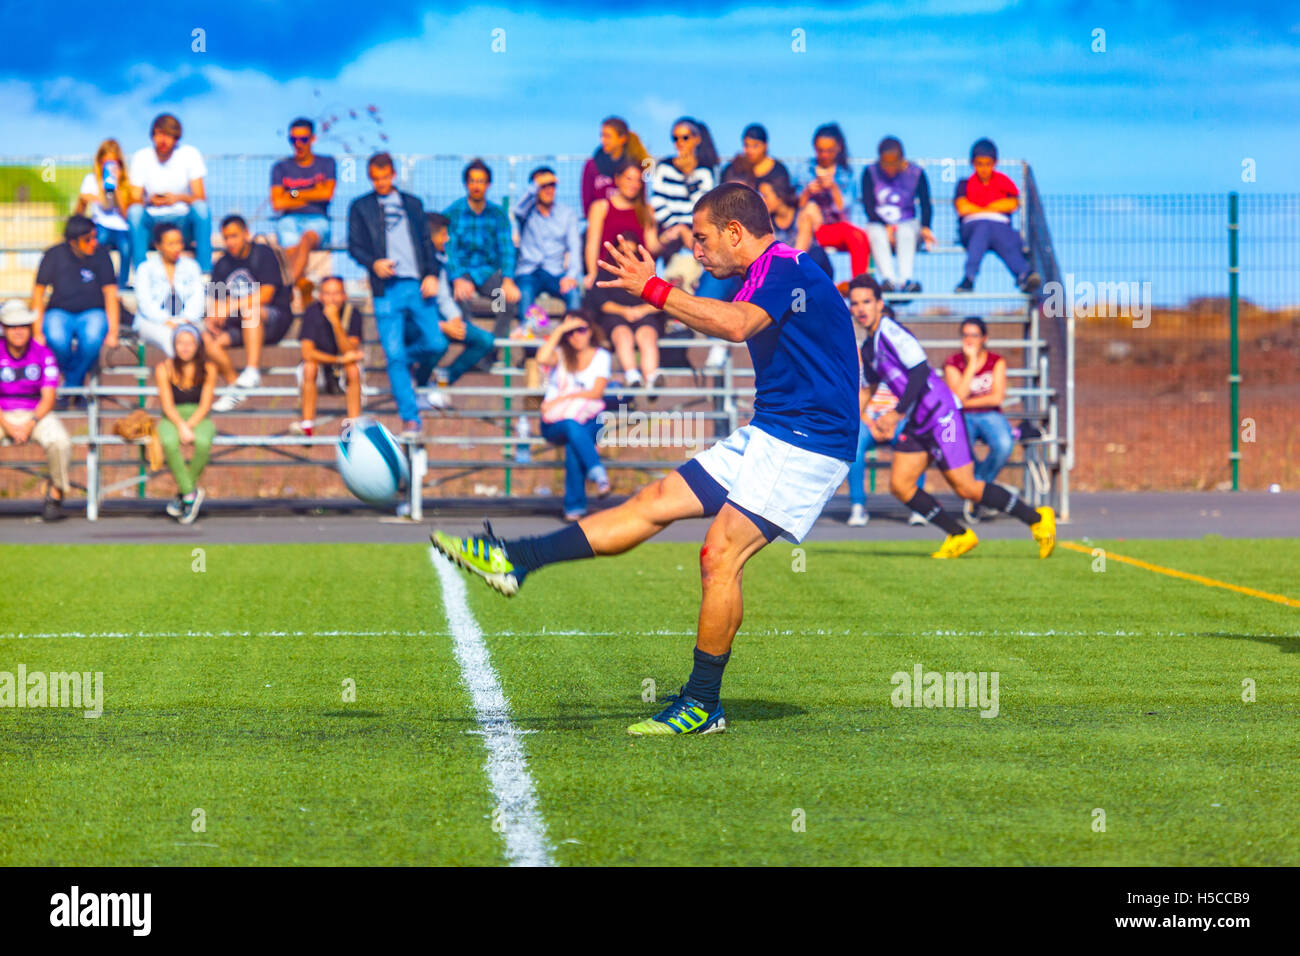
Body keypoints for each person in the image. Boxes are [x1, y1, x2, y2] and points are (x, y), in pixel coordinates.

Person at [432, 183, 860, 737]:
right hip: (773, 430)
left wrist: (654, 289)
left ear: (736, 232)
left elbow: (734, 327)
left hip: (808, 440)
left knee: (719, 554)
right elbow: (728, 317)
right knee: (653, 501)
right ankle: (518, 559)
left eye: (704, 240)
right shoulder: (764, 274)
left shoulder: (785, 268)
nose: (699, 252)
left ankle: (703, 703)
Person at [851, 274, 1055, 559]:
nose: (861, 308)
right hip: (919, 421)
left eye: (867, 302)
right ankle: (960, 535)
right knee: (900, 485)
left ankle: (1037, 519)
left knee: (967, 488)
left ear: (880, 304)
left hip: (941, 415)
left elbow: (920, 371)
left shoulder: (890, 331)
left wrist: (895, 414)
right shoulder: (868, 347)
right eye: (856, 303)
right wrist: (852, 421)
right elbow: (868, 388)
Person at [347, 151, 446, 438]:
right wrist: (373, 263)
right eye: (375, 178)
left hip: (416, 285)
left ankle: (410, 367)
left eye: (385, 177)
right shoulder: (360, 207)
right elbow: (355, 246)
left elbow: (427, 243)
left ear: (393, 175)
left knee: (436, 343)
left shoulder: (413, 205)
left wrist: (431, 274)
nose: (380, 183)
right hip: (385, 290)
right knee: (393, 356)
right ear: (370, 177)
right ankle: (410, 418)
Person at [846, 299, 926, 527]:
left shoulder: (908, 360)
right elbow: (859, 397)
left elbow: (915, 396)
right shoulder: (866, 359)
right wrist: (869, 420)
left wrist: (893, 419)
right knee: (854, 442)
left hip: (898, 420)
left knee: (916, 438)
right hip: (869, 420)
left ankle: (918, 506)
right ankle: (858, 506)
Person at [31, 215, 120, 408]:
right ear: (73, 241)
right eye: (88, 239)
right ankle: (77, 387)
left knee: (93, 339)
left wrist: (113, 332)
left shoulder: (102, 255)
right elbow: (38, 293)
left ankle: (69, 388)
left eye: (95, 237)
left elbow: (110, 294)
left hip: (93, 312)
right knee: (55, 338)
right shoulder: (53, 254)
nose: (93, 243)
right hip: (59, 312)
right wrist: (37, 331)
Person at [207, 215, 294, 412]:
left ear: (247, 234)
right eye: (226, 237)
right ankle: (235, 388)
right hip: (240, 325)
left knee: (250, 311)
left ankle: (252, 370)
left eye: (234, 236)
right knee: (208, 341)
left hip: (274, 318)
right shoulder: (221, 264)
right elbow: (217, 301)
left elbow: (267, 294)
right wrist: (213, 320)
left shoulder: (263, 254)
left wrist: (231, 306)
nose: (230, 242)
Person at [534, 311, 613, 521]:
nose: (576, 336)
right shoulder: (560, 355)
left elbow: (597, 392)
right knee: (571, 427)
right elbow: (541, 357)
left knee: (574, 443)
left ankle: (575, 508)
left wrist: (565, 397)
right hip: (556, 422)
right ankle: (598, 474)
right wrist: (560, 330)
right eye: (571, 332)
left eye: (581, 330)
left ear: (590, 331)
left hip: (590, 417)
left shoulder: (602, 356)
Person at [0, 301, 71, 522]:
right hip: (3, 413)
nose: (18, 331)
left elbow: (49, 397)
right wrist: (8, 425)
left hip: (36, 413)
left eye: (23, 325)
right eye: (12, 326)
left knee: (60, 441)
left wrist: (30, 423)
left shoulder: (42, 353)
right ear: (4, 328)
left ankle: (56, 494)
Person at [444, 158, 520, 358]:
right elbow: (448, 249)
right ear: (466, 183)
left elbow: (507, 250)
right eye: (472, 181)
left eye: (481, 181)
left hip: (488, 274)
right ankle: (473, 346)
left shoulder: (498, 215)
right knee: (461, 299)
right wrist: (457, 278)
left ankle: (490, 350)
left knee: (505, 301)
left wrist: (508, 280)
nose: (476, 186)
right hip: (463, 274)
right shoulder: (453, 213)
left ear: (488, 185)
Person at [944, 316, 1014, 523]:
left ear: (984, 338)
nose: (969, 340)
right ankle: (983, 494)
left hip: (991, 414)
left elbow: (997, 397)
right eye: (965, 335)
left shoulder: (996, 361)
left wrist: (966, 401)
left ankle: (979, 488)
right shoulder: (953, 363)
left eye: (974, 335)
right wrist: (972, 364)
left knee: (1004, 444)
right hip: (962, 417)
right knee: (962, 446)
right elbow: (956, 401)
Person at [419, 213, 494, 398]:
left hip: (445, 315)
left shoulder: (440, 260)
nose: (448, 238)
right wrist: (443, 326)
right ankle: (420, 387)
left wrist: (455, 319)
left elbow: (443, 297)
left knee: (487, 338)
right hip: (426, 320)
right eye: (444, 234)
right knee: (439, 344)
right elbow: (413, 312)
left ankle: (442, 380)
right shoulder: (415, 264)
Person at [954, 138, 1041, 294]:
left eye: (988, 164)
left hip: (1000, 230)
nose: (984, 169)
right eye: (979, 164)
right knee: (984, 228)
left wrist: (979, 207)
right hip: (973, 229)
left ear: (995, 163)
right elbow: (962, 207)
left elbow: (1012, 204)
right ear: (973, 163)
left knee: (1003, 235)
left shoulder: (1004, 183)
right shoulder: (964, 184)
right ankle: (971, 276)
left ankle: (1023, 275)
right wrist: (992, 208)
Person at [126, 113, 212, 272]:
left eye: (167, 135)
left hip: (182, 222)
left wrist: (177, 198)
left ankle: (205, 272)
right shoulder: (141, 157)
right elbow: (135, 198)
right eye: (158, 134)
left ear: (176, 137)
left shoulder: (190, 154)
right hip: (153, 222)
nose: (162, 140)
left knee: (202, 209)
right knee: (135, 212)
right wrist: (150, 201)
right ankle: (141, 272)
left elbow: (200, 196)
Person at [591, 232, 667, 395]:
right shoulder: (605, 273)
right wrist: (625, 312)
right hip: (615, 318)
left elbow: (661, 300)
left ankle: (652, 379)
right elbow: (601, 302)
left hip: (643, 316)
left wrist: (640, 311)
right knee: (622, 334)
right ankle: (632, 376)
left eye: (633, 253)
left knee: (647, 335)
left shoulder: (648, 275)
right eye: (623, 253)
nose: (628, 257)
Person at [155, 324, 216, 524]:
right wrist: (181, 426)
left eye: (190, 343)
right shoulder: (164, 368)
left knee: (203, 443)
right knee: (169, 442)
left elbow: (205, 405)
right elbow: (167, 404)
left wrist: (190, 425)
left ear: (197, 345)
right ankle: (190, 493)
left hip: (198, 415)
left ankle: (182, 495)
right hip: (172, 416)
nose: (185, 347)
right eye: (181, 343)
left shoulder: (208, 369)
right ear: (174, 345)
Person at [862, 136, 936, 293]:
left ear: (901, 159)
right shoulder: (870, 173)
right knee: (875, 232)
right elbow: (868, 206)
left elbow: (925, 203)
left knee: (906, 231)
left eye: (893, 162)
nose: (889, 167)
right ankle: (888, 281)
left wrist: (926, 227)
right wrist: (886, 226)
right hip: (879, 223)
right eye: (885, 163)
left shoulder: (916, 173)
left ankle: (905, 281)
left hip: (907, 221)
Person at [798, 123, 870, 280]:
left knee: (858, 236)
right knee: (810, 208)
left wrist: (833, 188)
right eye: (820, 150)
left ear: (839, 148)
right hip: (807, 230)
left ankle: (860, 284)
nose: (824, 155)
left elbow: (845, 210)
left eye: (829, 150)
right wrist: (807, 192)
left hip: (832, 229)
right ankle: (794, 269)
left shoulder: (846, 174)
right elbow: (793, 207)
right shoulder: (804, 170)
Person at [270, 117, 336, 288]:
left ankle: (287, 287)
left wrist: (291, 195)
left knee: (306, 239)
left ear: (313, 139)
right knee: (291, 248)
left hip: (318, 221)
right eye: (293, 139)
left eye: (303, 139)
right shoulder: (280, 167)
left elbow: (327, 193)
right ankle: (298, 285)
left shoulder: (327, 163)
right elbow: (277, 202)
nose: (298, 144)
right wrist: (313, 193)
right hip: (288, 221)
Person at [292, 276, 363, 435]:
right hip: (319, 369)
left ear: (344, 295)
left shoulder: (353, 313)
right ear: (320, 296)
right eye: (327, 293)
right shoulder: (312, 312)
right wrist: (337, 359)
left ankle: (355, 427)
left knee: (353, 369)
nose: (332, 298)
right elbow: (307, 353)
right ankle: (307, 425)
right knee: (309, 368)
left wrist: (335, 322)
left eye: (337, 293)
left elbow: (350, 351)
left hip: (342, 371)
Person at [513, 166, 583, 316]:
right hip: (528, 272)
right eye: (543, 185)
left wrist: (571, 275)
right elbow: (517, 210)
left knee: (574, 294)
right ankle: (526, 334)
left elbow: (575, 247)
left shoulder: (567, 214)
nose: (548, 189)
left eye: (552, 185)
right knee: (525, 292)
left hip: (556, 272)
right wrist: (537, 184)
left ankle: (572, 334)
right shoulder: (525, 212)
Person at [584, 158, 660, 292]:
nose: (634, 184)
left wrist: (669, 239)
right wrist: (592, 274)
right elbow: (592, 245)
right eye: (629, 179)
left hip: (639, 277)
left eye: (638, 180)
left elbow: (652, 245)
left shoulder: (647, 210)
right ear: (617, 179)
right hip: (608, 274)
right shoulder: (601, 207)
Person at [132, 223, 206, 357]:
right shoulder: (145, 268)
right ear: (158, 246)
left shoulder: (192, 266)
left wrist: (184, 320)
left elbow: (198, 299)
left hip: (188, 321)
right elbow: (146, 304)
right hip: (152, 323)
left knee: (193, 338)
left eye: (179, 242)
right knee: (173, 340)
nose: (177, 248)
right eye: (171, 244)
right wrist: (167, 321)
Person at [650, 117, 718, 258]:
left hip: (695, 232)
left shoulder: (705, 171)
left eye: (685, 138)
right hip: (669, 231)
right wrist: (677, 227)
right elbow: (657, 202)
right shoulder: (664, 167)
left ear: (696, 139)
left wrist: (688, 176)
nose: (680, 143)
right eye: (675, 138)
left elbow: (703, 206)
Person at [76, 139, 134, 287]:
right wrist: (85, 200)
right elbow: (78, 213)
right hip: (100, 225)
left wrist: (117, 191)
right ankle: (95, 281)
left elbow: (127, 216)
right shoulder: (90, 180)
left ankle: (121, 285)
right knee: (97, 243)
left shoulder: (126, 183)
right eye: (105, 163)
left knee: (126, 248)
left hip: (122, 228)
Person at [757, 171, 833, 278]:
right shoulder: (768, 222)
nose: (762, 200)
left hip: (815, 269)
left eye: (765, 196)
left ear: (779, 197)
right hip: (791, 272)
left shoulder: (802, 215)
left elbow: (799, 253)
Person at [580, 116, 650, 216]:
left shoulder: (635, 166)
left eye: (607, 136)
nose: (603, 140)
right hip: (600, 223)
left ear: (622, 139)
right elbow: (587, 203)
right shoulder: (591, 166)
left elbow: (641, 201)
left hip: (629, 223)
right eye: (602, 136)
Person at [720, 123, 790, 190]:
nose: (750, 150)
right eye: (746, 145)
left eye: (755, 146)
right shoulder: (732, 169)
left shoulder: (779, 172)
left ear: (765, 146)